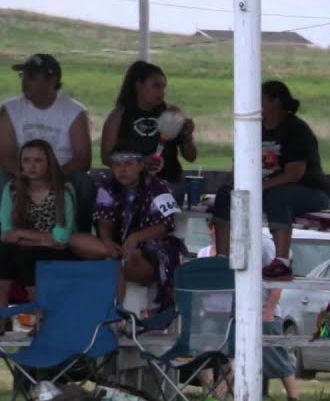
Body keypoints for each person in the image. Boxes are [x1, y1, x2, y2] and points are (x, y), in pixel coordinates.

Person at [210, 80, 329, 279]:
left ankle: (282, 261)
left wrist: (259, 187)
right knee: (225, 195)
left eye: (260, 100)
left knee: (278, 197)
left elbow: (295, 173)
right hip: (264, 190)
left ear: (276, 101)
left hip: (307, 191)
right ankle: (223, 257)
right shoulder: (251, 129)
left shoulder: (295, 129)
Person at [197, 225, 299, 401]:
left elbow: (279, 279)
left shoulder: (265, 245)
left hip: (265, 309)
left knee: (276, 355)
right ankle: (217, 396)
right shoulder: (218, 249)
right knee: (232, 355)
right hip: (234, 311)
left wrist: (270, 310)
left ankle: (293, 396)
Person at [79, 144, 186, 309]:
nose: (122, 170)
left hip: (151, 252)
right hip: (115, 248)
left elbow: (164, 225)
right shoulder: (107, 186)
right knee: (77, 241)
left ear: (141, 165)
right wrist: (107, 241)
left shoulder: (158, 187)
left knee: (124, 262)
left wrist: (136, 238)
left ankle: (115, 313)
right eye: (117, 164)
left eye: (128, 164)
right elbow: (104, 219)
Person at [0, 54, 94, 232]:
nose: (25, 81)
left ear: (52, 80)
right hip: (22, 171)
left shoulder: (75, 111)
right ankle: (6, 233)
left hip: (62, 173)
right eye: (23, 76)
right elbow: (5, 155)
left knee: (83, 183)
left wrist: (51, 177)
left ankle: (81, 234)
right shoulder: (10, 109)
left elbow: (83, 159)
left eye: (31, 77)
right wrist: (26, 174)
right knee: (1, 178)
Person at [0, 139, 89, 304]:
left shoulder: (63, 191)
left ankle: (40, 317)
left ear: (49, 163)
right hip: (24, 249)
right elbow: (6, 233)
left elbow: (61, 238)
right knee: (3, 252)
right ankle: (2, 317)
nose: (31, 166)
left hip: (59, 253)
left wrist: (21, 234)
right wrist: (42, 239)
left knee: (25, 257)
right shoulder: (12, 189)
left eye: (38, 160)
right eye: (26, 160)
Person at [100, 61, 198, 201]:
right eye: (156, 86)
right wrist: (138, 164)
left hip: (168, 182)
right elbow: (106, 157)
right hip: (131, 184)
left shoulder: (171, 113)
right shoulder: (119, 115)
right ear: (139, 85)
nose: (161, 92)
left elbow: (191, 157)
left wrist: (188, 136)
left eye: (164, 87)